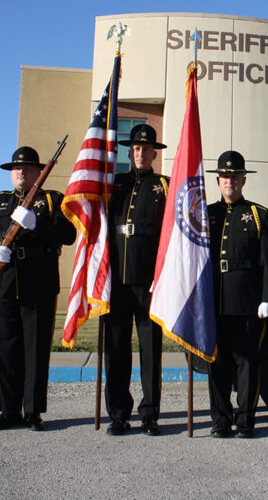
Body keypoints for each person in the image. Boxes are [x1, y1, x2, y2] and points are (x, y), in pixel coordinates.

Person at [0, 146, 76, 431]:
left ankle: (33, 411)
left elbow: (68, 235)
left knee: (36, 349)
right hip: (3, 283)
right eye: (16, 168)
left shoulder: (52, 201)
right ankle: (8, 410)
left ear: (39, 172)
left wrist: (37, 224)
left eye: (27, 168)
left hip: (39, 282)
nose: (20, 172)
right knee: (6, 347)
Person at [205, 150, 268, 438]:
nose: (230, 181)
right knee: (217, 362)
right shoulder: (206, 215)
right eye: (225, 176)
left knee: (248, 362)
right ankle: (220, 420)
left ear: (243, 180)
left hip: (247, 300)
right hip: (214, 300)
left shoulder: (259, 215)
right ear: (218, 180)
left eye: (235, 176)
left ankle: (246, 420)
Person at [105, 124, 169, 436]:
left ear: (155, 153)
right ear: (129, 152)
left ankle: (149, 414)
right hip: (116, 279)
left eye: (146, 148)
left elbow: (173, 235)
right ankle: (118, 414)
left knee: (150, 350)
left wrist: (164, 275)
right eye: (136, 148)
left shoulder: (165, 186)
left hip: (148, 279)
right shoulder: (113, 184)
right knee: (116, 348)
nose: (141, 153)